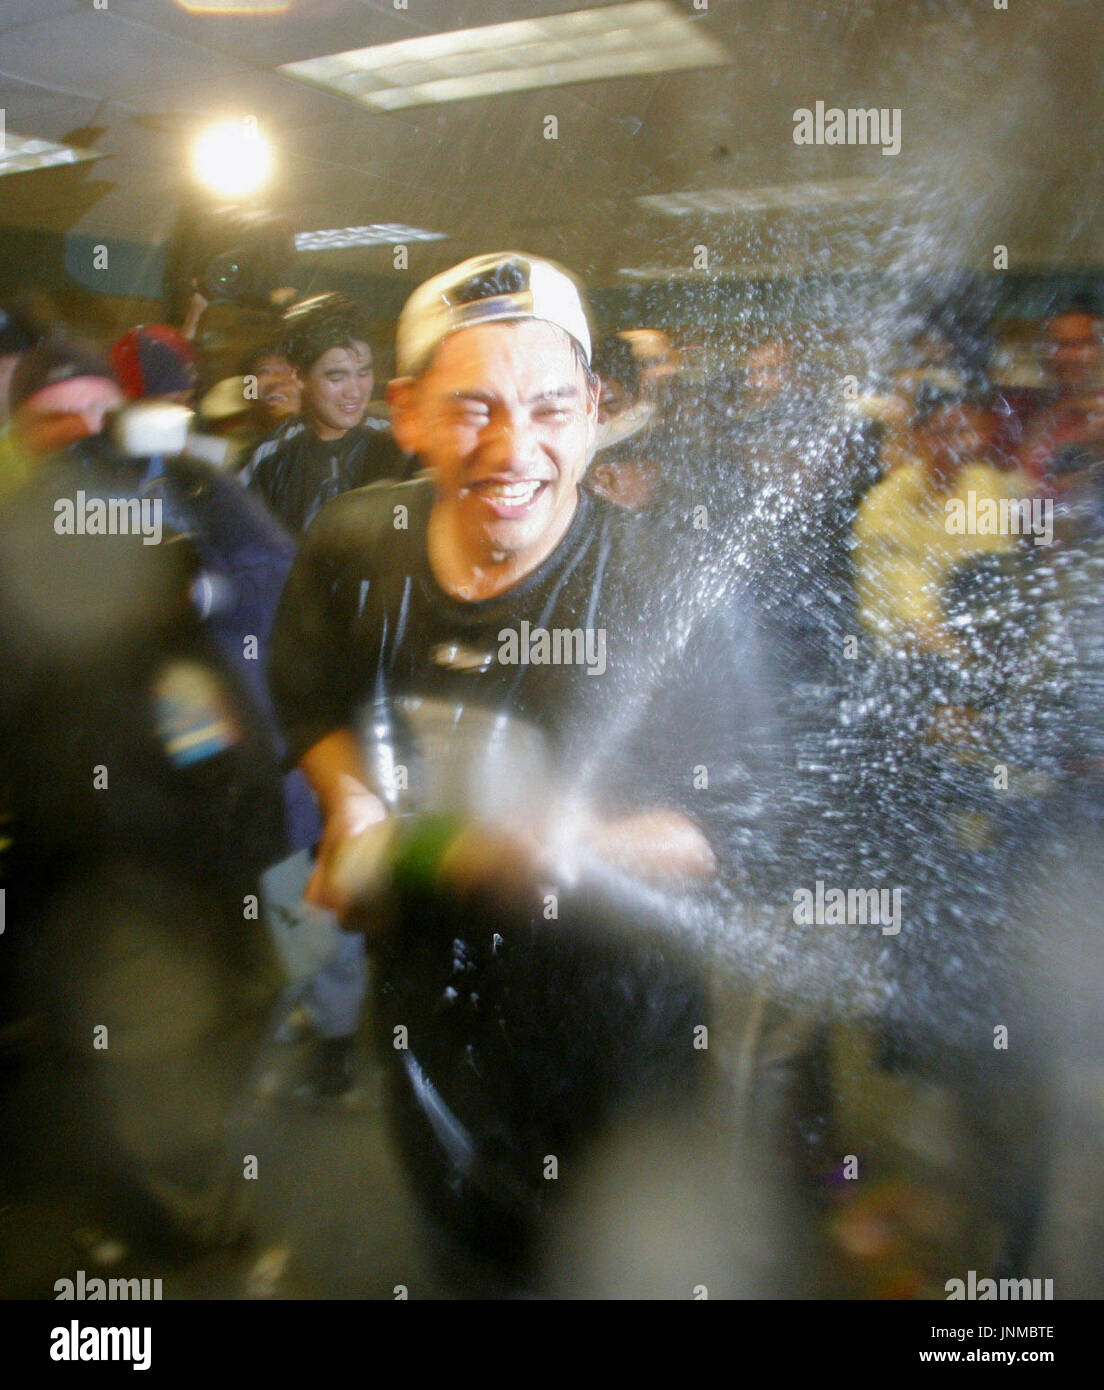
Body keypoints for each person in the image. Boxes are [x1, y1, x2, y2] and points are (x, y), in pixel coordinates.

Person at [269, 252, 780, 1293]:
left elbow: (747, 827)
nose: (514, 449)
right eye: (473, 409)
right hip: (428, 1003)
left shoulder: (668, 591)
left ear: (595, 410)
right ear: (408, 413)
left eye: (551, 407)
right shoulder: (356, 546)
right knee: (463, 1255)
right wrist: (351, 799)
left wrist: (577, 843)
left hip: (616, 1029)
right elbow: (312, 700)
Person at [242, 294, 407, 532]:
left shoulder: (400, 444)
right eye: (336, 377)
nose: (354, 392)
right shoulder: (270, 458)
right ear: (299, 377)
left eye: (363, 373)